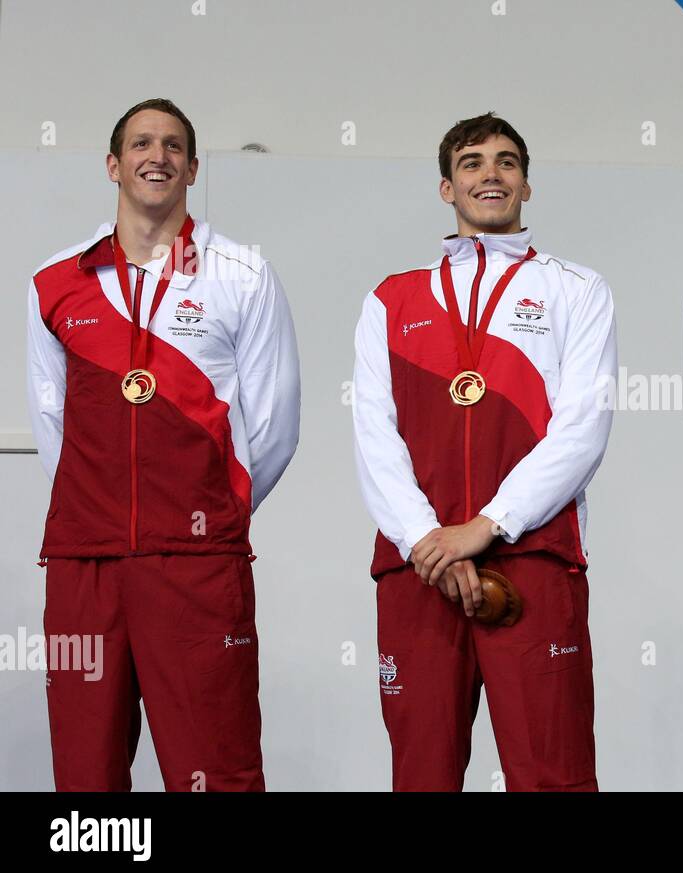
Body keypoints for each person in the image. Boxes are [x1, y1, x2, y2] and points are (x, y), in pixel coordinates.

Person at [25, 98, 301, 791]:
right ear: (114, 166)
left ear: (194, 168)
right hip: (85, 566)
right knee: (85, 778)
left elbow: (274, 425)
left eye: (174, 146)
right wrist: (102, 511)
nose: (159, 156)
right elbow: (53, 424)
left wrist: (207, 515)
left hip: (197, 565)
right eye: (142, 144)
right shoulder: (56, 282)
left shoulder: (240, 274)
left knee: (219, 768)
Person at [353, 112, 617, 791]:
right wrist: (427, 541)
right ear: (447, 188)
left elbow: (581, 429)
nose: (490, 174)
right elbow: (375, 435)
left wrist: (486, 526)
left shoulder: (576, 289)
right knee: (422, 773)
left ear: (526, 184)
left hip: (532, 558)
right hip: (418, 569)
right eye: (471, 163)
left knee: (551, 772)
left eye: (505, 162)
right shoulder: (391, 298)